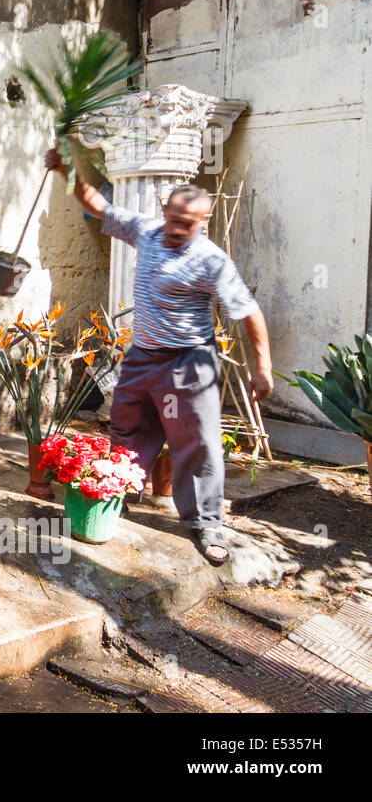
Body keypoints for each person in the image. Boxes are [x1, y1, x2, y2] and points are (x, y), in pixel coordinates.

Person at [45, 148, 272, 565]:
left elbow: (248, 312)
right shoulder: (148, 231)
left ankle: (205, 524)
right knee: (128, 427)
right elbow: (99, 205)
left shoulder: (211, 261)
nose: (176, 229)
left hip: (188, 362)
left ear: (203, 223)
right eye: (172, 219)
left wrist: (262, 368)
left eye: (186, 224)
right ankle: (118, 494)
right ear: (164, 212)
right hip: (143, 357)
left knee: (195, 442)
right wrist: (67, 170)